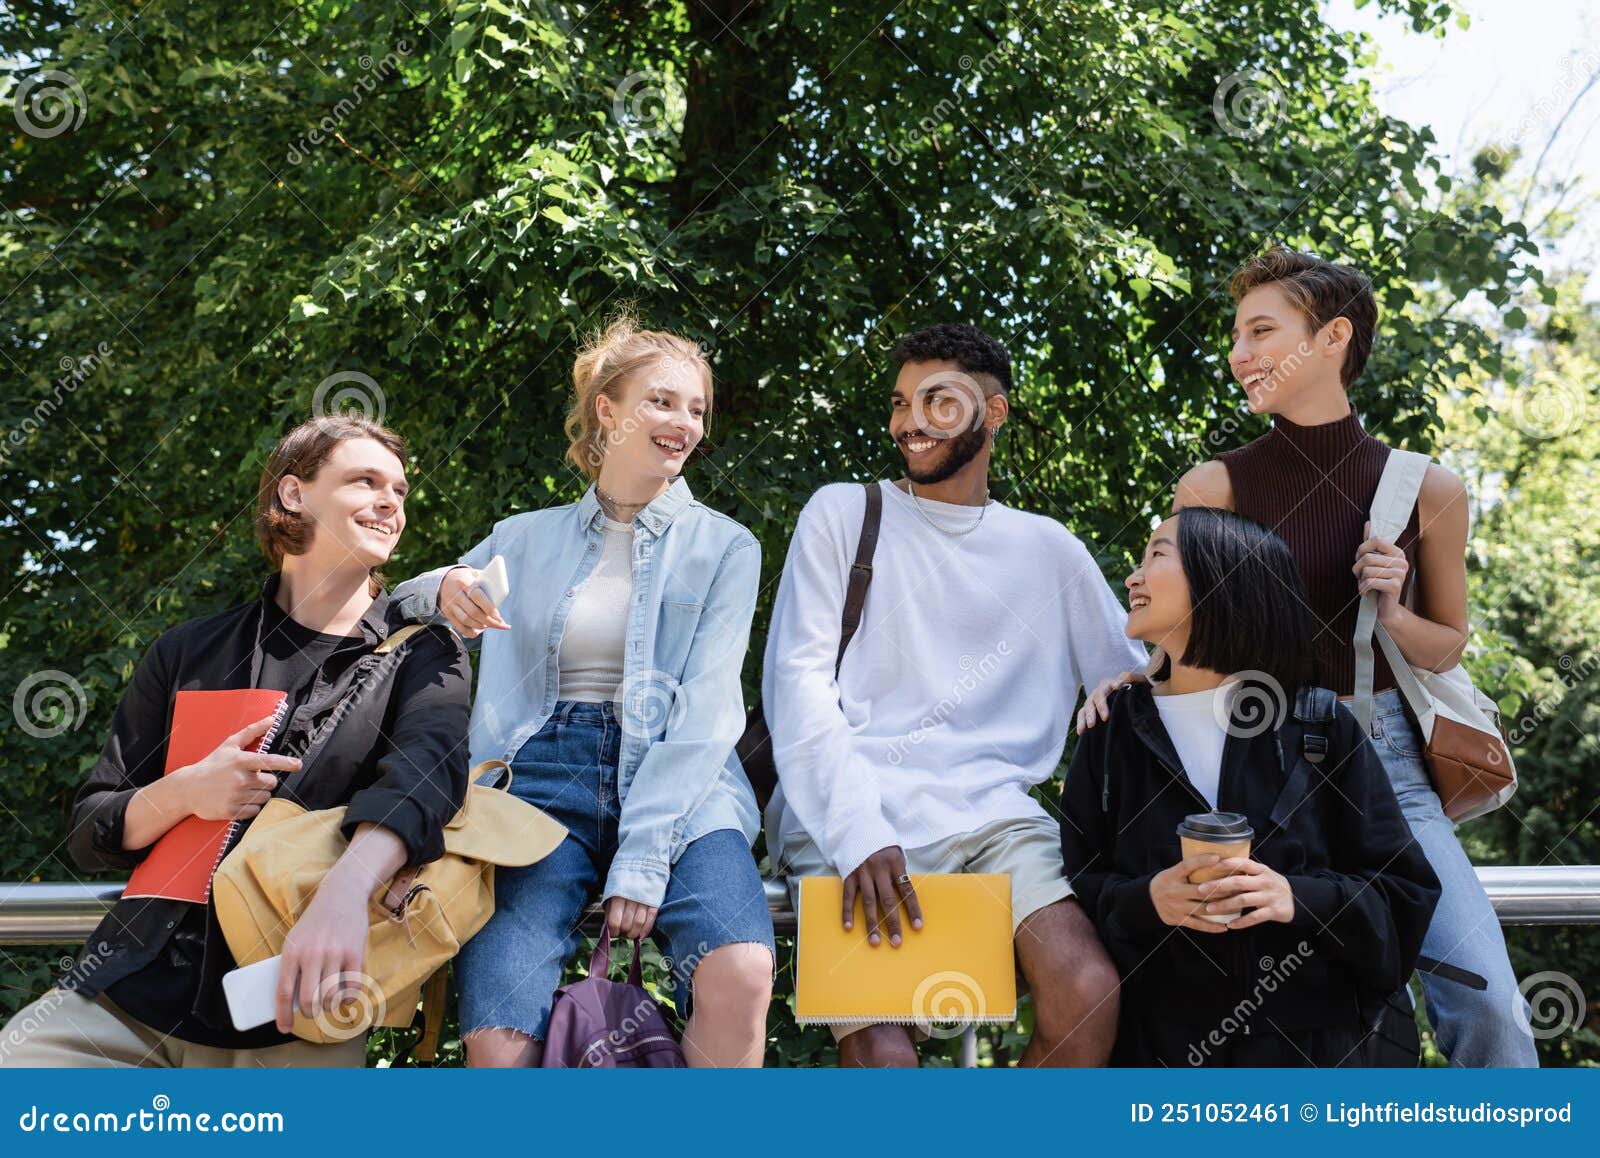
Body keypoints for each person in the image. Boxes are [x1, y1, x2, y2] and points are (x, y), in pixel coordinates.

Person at [1078, 246, 1537, 1066]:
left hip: (1384, 762)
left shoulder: (1428, 489)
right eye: (1236, 334)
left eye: (1262, 330)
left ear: (1332, 338)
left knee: (1492, 1006)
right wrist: (1141, 680)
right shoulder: (1212, 486)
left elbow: (1446, 645)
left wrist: (1392, 609)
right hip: (1247, 758)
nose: (1239, 354)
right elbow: (1195, 621)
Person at [0, 416, 471, 1068]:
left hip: (295, 1011)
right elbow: (89, 830)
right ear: (293, 494)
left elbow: (426, 777)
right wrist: (186, 791)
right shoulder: (187, 652)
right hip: (128, 998)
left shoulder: (424, 651)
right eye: (365, 481)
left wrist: (342, 894)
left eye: (400, 489)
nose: (393, 502)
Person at [393, 316, 774, 1068]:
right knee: (497, 1040)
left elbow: (706, 715)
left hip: (684, 781)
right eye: (663, 402)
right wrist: (444, 584)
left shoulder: (726, 545)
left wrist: (641, 858)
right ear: (609, 409)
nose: (684, 424)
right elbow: (394, 606)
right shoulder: (522, 537)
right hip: (536, 784)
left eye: (697, 409)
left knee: (743, 968)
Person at [764, 322, 1147, 1067]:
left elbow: (1130, 685)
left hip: (997, 815)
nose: (909, 421)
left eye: (937, 401)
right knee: (885, 1055)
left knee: (1089, 989)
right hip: (856, 804)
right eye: (901, 402)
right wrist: (856, 830)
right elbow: (797, 687)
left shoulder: (1050, 550)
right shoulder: (844, 512)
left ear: (993, 413)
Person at [1060, 506, 1440, 1065]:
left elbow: (1404, 894)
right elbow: (1078, 885)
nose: (1133, 577)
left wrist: (1296, 897)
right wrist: (1147, 900)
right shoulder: (1110, 730)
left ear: (1223, 575)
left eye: (1157, 555)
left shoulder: (1319, 725)